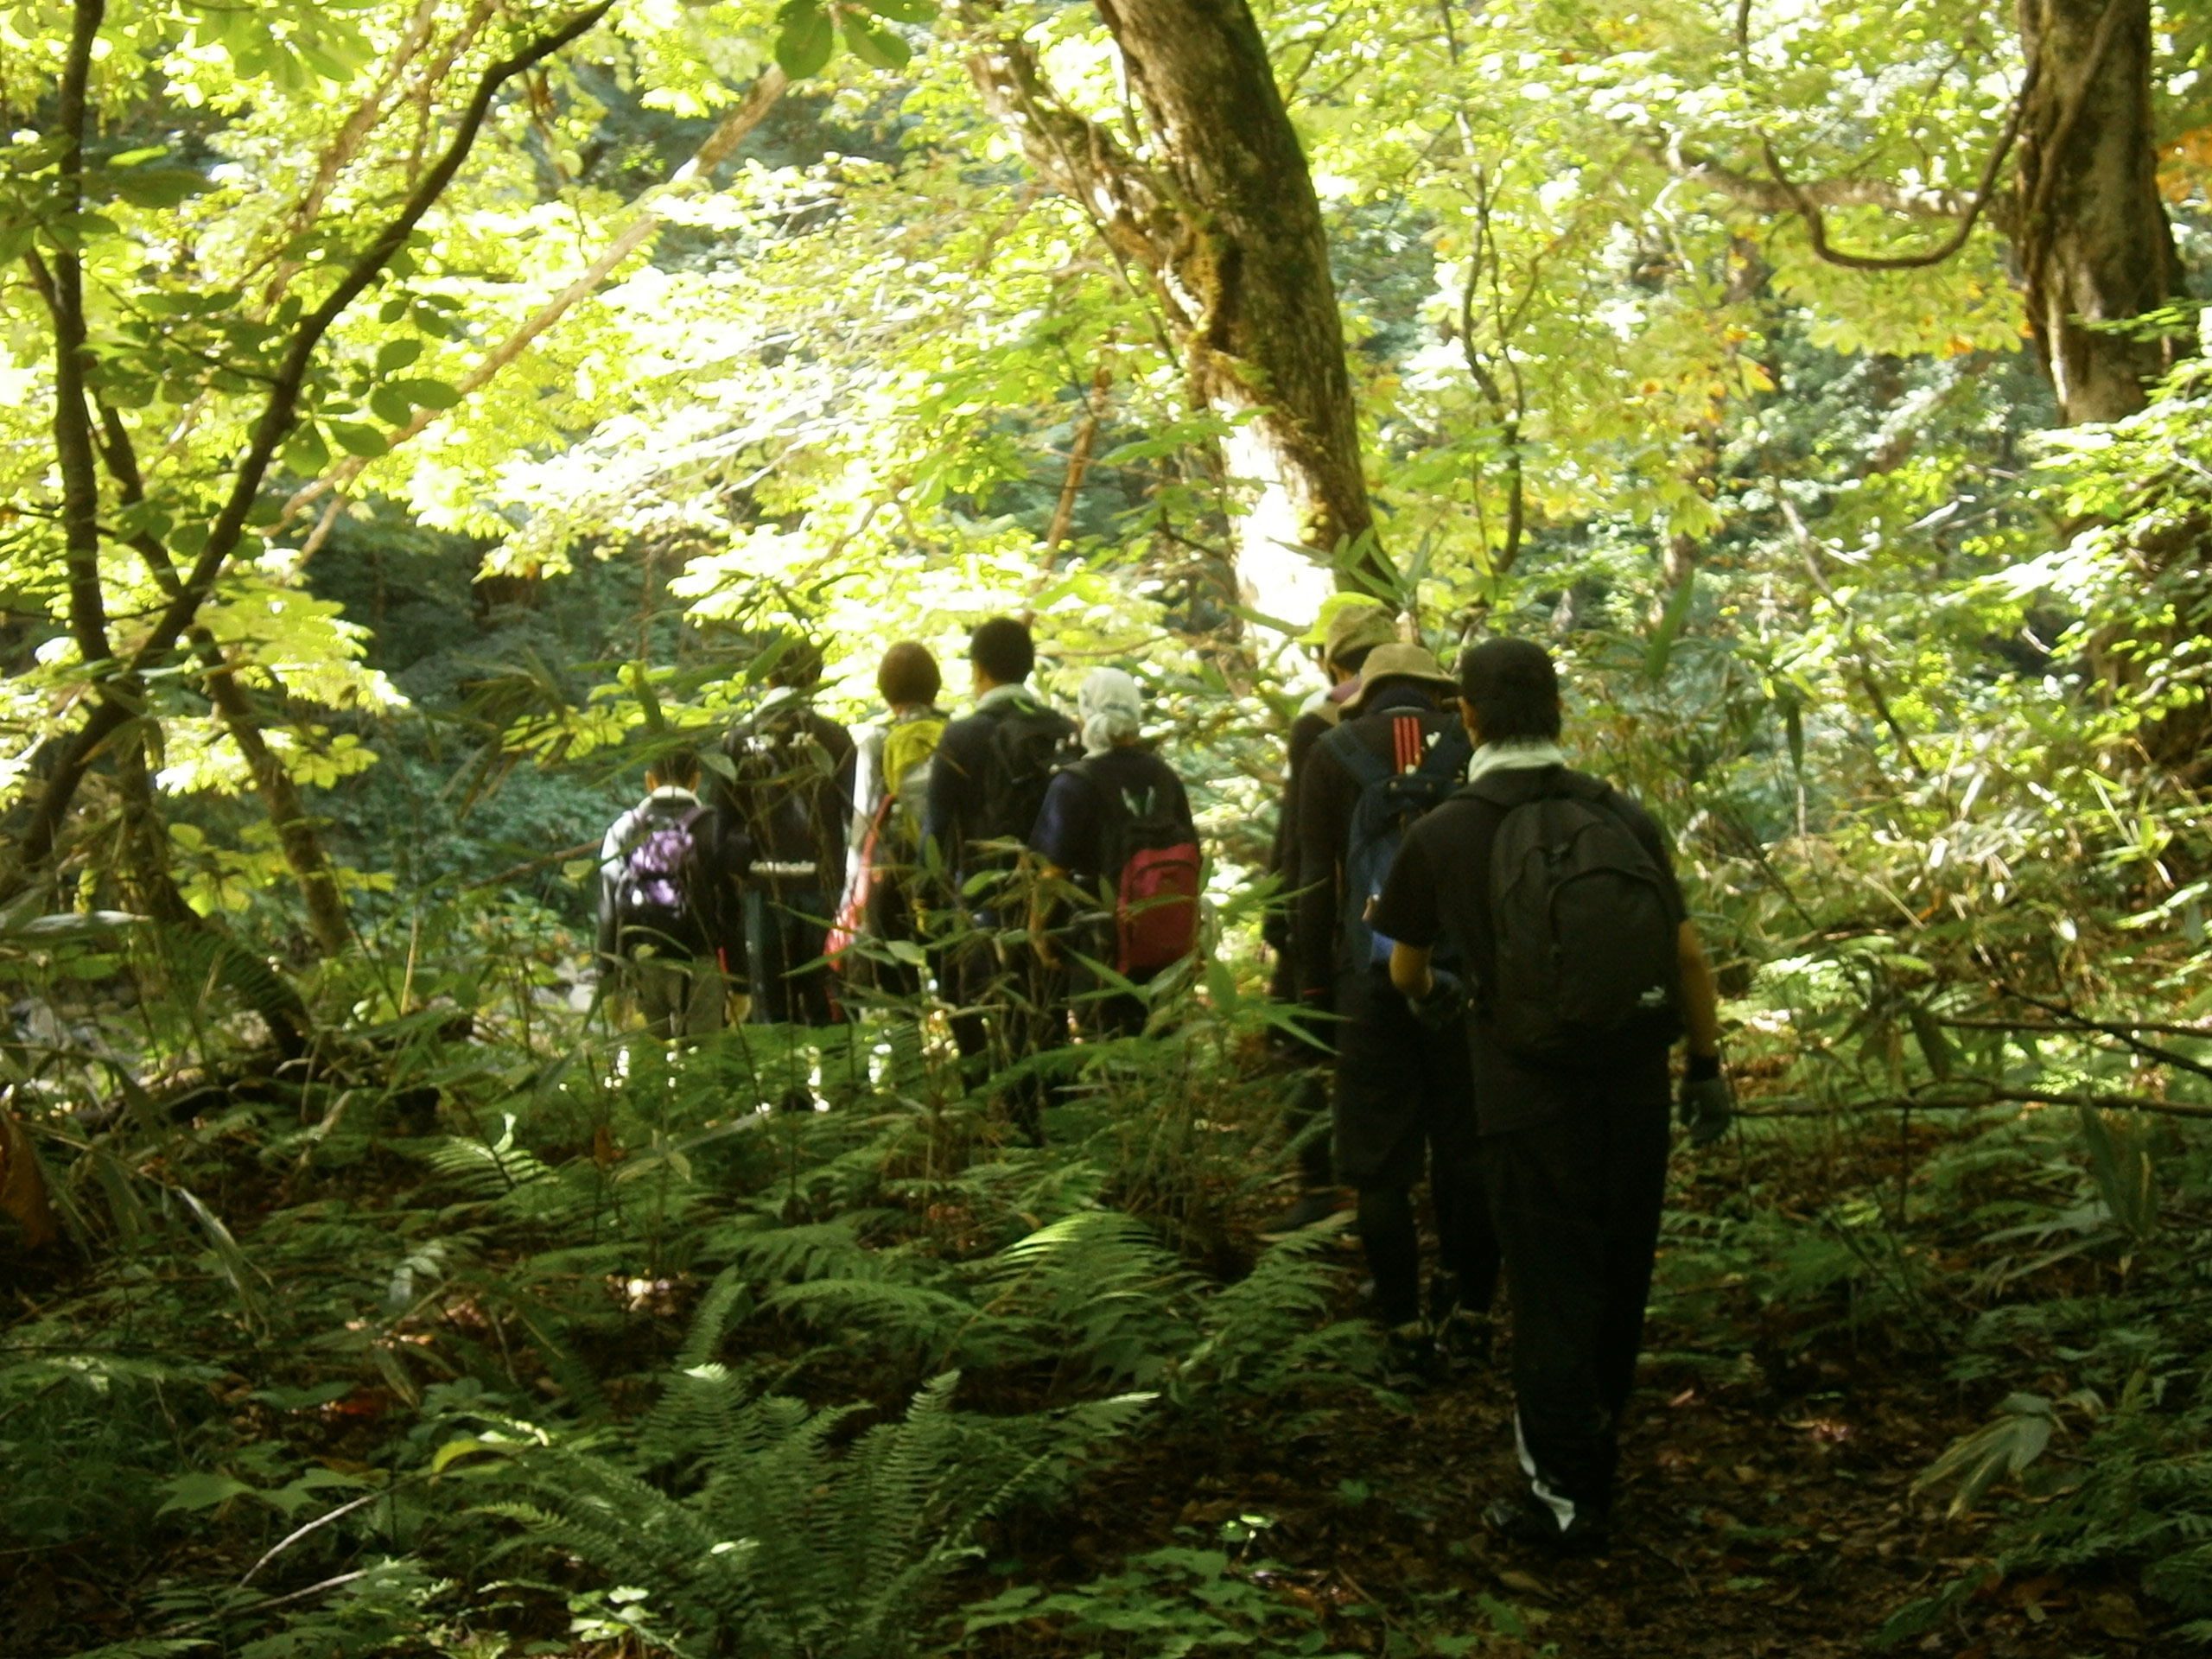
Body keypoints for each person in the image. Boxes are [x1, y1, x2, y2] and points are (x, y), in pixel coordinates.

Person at [1376, 636, 1732, 1554]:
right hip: (1634, 1090)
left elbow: (1404, 969)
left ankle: (1563, 1498)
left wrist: (1439, 1000)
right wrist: (1703, 1067)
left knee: (1547, 1286)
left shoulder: (1442, 831)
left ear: (1469, 716)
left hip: (1524, 1095)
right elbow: (1688, 955)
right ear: (1557, 712)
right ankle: (1593, 1446)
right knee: (1617, 1278)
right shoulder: (1620, 814)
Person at [1294, 641, 1499, 1365]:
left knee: (1380, 1165)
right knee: (1466, 1151)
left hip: (1367, 978)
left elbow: (1316, 878)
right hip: (1458, 977)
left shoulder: (1332, 750)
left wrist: (1313, 989)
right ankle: (1473, 1310)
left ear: (1368, 691)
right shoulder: (1470, 745)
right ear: (1436, 691)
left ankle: (1404, 1324)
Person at [1262, 601, 1400, 1236]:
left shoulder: (1321, 721)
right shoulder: (1439, 719)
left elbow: (1300, 838)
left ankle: (1319, 1187)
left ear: (1331, 658)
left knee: (1298, 1044)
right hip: (1420, 925)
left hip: (1338, 918)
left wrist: (1282, 917)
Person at [923, 616, 1079, 1138]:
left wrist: (931, 905)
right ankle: (1061, 1128)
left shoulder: (962, 734)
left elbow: (935, 831)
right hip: (1056, 902)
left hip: (984, 904)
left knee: (1000, 1019)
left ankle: (1015, 1136)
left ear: (978, 669)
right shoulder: (1060, 728)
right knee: (1049, 1016)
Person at [1029, 668, 1200, 1039]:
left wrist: (1039, 934)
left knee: (1107, 1048)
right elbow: (1193, 860)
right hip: (1167, 946)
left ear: (1086, 712)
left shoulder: (1074, 783)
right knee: (1163, 1044)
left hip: (1102, 950)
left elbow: (1051, 873)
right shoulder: (1164, 775)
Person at [715, 633, 856, 1028]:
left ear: (767, 677)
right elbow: (853, 817)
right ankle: (842, 1086)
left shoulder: (738, 741)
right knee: (826, 1000)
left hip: (763, 891)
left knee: (771, 1009)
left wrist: (726, 903)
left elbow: (721, 832)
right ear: (815, 679)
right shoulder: (835, 737)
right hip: (822, 887)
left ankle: (783, 1090)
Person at [596, 747, 745, 1039]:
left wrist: (609, 979)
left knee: (648, 1064)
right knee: (703, 1063)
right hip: (701, 962)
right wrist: (741, 984)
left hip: (642, 962)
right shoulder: (715, 827)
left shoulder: (623, 829)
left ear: (650, 781)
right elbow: (733, 909)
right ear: (695, 781)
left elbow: (607, 910)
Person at [837, 642, 950, 1000]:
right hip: (947, 870)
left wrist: (851, 890)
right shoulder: (956, 732)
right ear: (934, 684)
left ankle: (909, 1053)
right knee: (952, 969)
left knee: (896, 983)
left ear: (885, 690)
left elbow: (863, 821)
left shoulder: (876, 741)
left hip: (894, 872)